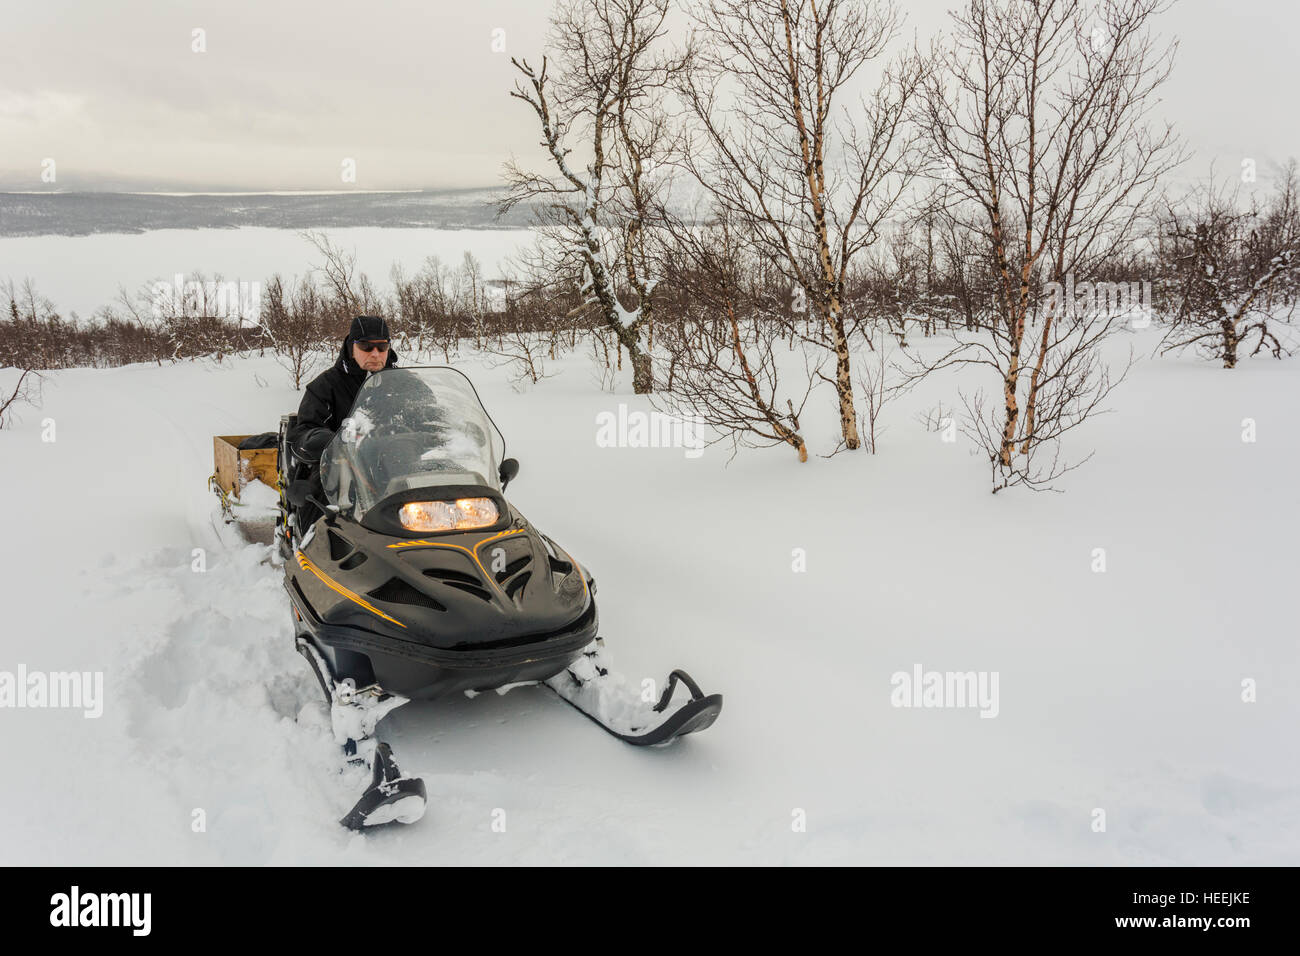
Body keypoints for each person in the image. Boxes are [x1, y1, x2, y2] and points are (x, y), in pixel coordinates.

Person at [285, 315, 398, 533]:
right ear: (351, 346)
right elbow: (304, 430)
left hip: (396, 465)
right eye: (366, 346)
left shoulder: (406, 384)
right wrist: (324, 440)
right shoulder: (326, 386)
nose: (375, 353)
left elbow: (431, 417)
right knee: (321, 496)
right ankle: (311, 544)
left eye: (381, 346)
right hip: (343, 469)